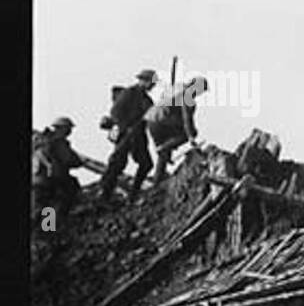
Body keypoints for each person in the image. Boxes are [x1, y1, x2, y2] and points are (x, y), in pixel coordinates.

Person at [99, 68, 157, 202]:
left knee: (146, 164)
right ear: (143, 81)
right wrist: (126, 127)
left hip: (138, 136)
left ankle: (133, 194)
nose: (153, 86)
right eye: (151, 82)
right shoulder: (129, 93)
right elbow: (115, 112)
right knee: (117, 164)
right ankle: (104, 195)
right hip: (127, 134)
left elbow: (151, 116)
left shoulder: (146, 98)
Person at [145, 75, 209, 183]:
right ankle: (166, 147)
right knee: (191, 132)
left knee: (163, 154)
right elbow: (186, 118)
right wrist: (190, 138)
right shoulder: (187, 96)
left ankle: (157, 178)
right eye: (200, 90)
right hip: (162, 121)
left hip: (152, 121)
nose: (199, 93)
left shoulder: (177, 88)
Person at [32, 117, 85, 220]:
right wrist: (79, 161)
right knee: (68, 193)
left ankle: (41, 231)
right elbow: (70, 159)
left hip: (38, 182)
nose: (70, 131)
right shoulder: (59, 142)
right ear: (62, 129)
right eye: (68, 128)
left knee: (40, 209)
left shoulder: (44, 140)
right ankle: (51, 229)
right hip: (52, 181)